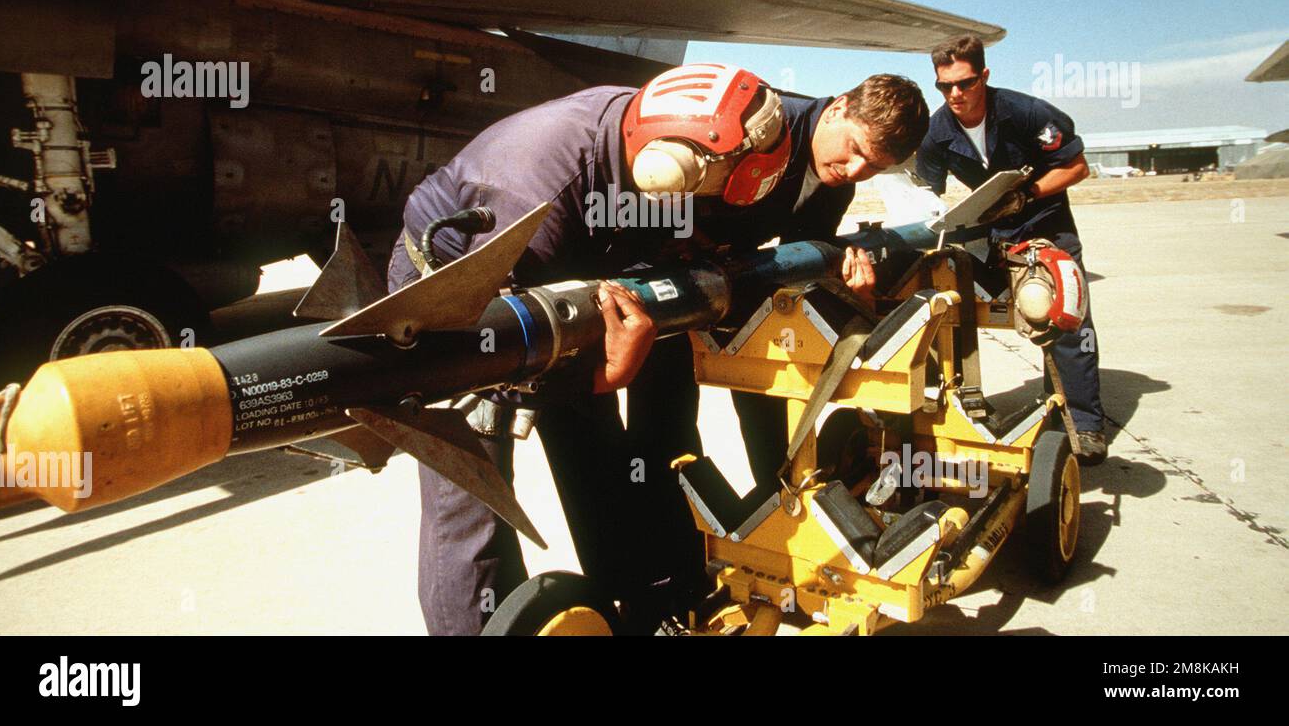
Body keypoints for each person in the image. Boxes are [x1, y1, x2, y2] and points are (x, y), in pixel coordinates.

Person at [388, 64, 928, 634]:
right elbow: (501, 352)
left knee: (597, 451)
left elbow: (679, 236)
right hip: (460, 294)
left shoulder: (696, 134)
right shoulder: (532, 193)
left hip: (579, 271)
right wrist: (603, 375)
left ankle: (639, 604)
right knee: (472, 479)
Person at [914, 35, 1108, 465]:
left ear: (984, 75)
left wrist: (1026, 195)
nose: (956, 95)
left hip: (1046, 227)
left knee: (1065, 320)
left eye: (964, 83)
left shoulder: (1026, 113)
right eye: (945, 87)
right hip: (991, 234)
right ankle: (963, 398)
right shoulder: (936, 130)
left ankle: (1085, 422)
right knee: (944, 304)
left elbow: (1076, 166)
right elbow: (926, 191)